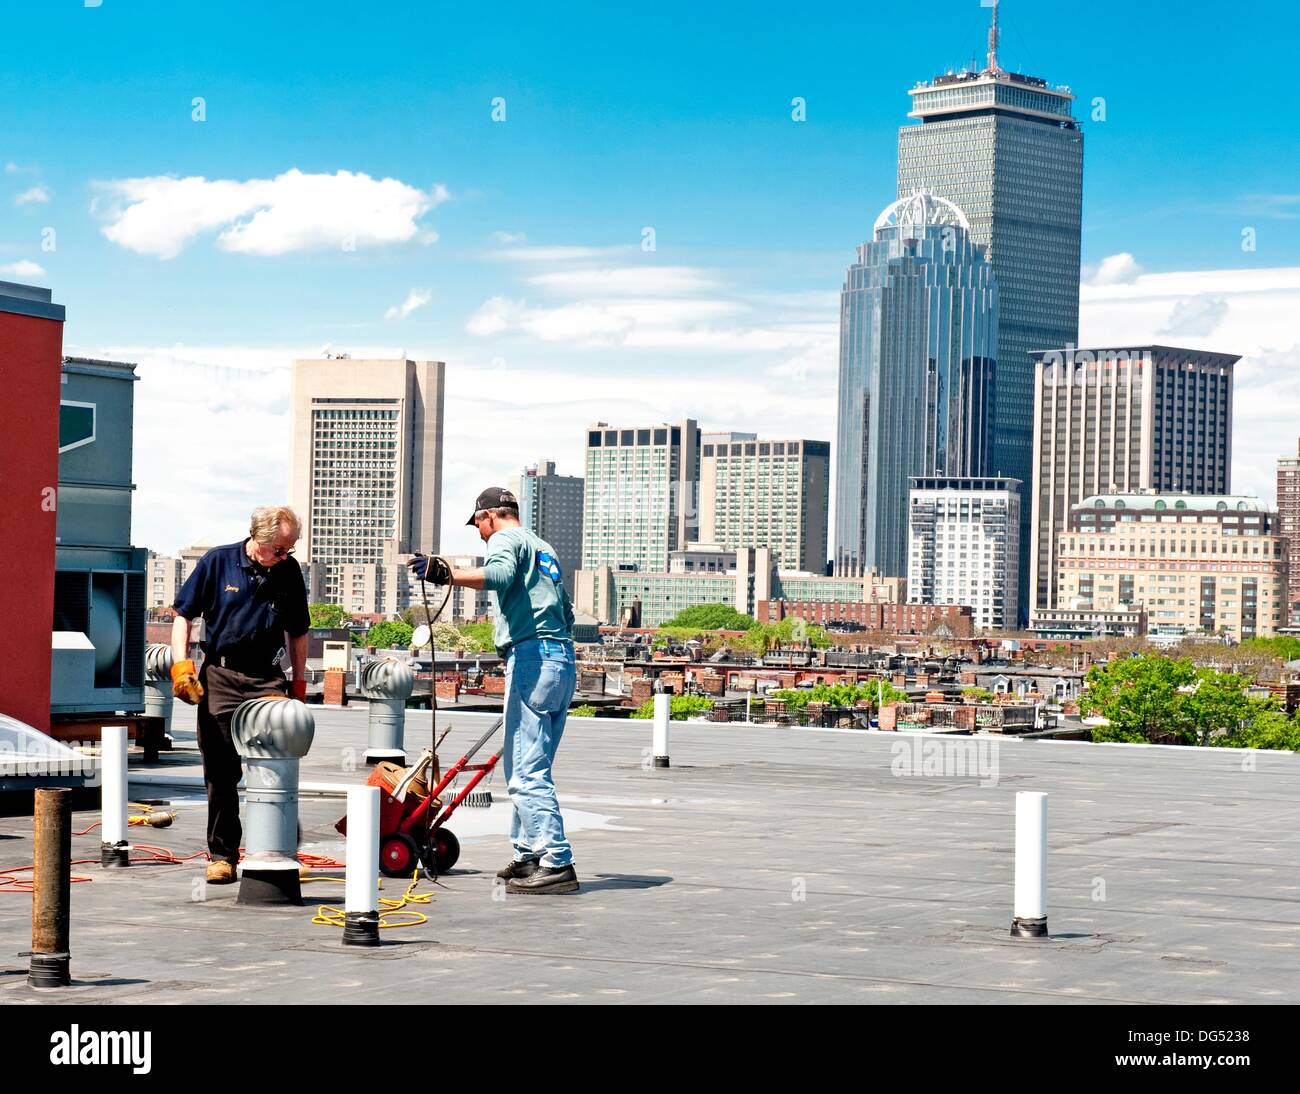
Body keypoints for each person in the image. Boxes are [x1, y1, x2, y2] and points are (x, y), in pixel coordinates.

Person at [409, 487, 578, 894]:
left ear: (489, 517)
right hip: (561, 659)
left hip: (533, 656)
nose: (480, 536)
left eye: (478, 528)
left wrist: (444, 572)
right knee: (530, 764)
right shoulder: (542, 546)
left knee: (525, 770)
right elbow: (566, 610)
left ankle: (557, 861)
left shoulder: (506, 539)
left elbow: (498, 575)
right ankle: (529, 854)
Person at [170, 505, 311, 884]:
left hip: (267, 678)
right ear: (258, 539)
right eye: (279, 549)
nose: (284, 557)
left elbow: (298, 630)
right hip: (221, 674)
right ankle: (222, 855)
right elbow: (183, 614)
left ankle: (280, 847)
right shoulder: (218, 562)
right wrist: (180, 665)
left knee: (277, 763)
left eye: (289, 550)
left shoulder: (288, 571)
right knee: (221, 771)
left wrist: (298, 683)